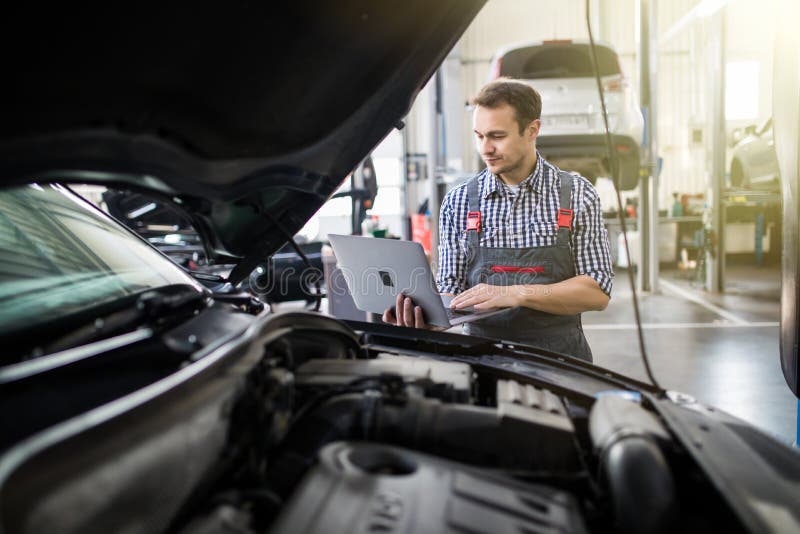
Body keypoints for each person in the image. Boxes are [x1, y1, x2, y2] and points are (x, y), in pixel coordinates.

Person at [383, 78, 613, 361]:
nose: (485, 149)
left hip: (561, 361)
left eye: (497, 136)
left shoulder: (577, 195)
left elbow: (597, 291)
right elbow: (451, 291)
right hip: (484, 360)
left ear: (532, 130)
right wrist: (428, 317)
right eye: (479, 136)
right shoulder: (458, 203)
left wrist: (517, 293)